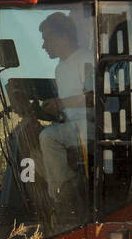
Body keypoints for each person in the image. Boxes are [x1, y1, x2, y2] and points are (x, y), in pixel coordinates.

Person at [36, 12, 92, 226]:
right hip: (71, 126)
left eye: (47, 39)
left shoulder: (85, 59)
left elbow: (94, 98)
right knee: (29, 137)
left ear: (63, 37)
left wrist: (61, 104)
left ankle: (64, 198)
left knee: (48, 138)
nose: (43, 46)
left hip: (89, 127)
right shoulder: (60, 68)